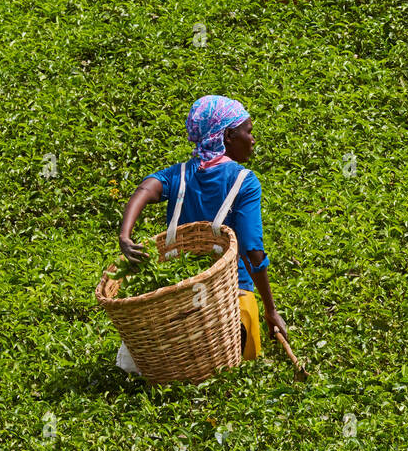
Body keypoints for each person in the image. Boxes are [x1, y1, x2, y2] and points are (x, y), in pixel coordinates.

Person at [118, 96, 287, 363]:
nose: (253, 139)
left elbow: (145, 189)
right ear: (229, 136)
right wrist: (270, 310)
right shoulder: (245, 182)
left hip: (177, 306)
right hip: (231, 300)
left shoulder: (179, 175)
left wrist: (125, 236)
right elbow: (253, 251)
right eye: (249, 132)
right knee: (236, 368)